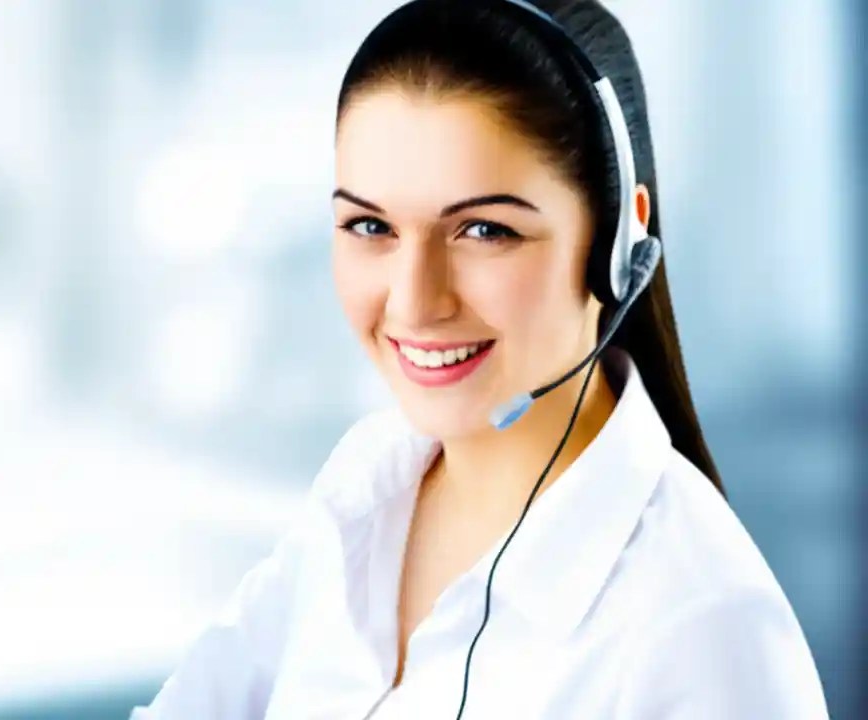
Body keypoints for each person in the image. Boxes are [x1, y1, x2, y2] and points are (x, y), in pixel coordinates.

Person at [131, 0, 830, 717]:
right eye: (370, 225)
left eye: (484, 230)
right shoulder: (366, 493)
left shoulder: (701, 627)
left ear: (620, 239)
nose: (413, 302)